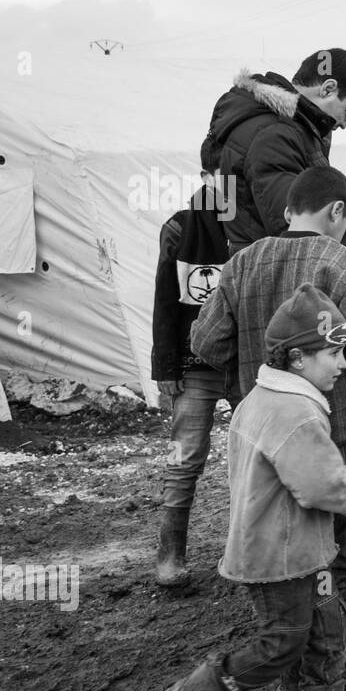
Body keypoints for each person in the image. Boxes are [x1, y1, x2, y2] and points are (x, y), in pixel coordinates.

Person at [190, 166, 346, 691]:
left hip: (267, 443)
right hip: (336, 441)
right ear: (337, 211)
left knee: (297, 573)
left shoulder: (242, 262)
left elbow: (205, 342)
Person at [159, 285, 346, 691]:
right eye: (333, 353)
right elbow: (320, 486)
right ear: (297, 358)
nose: (343, 364)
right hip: (281, 556)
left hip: (292, 548)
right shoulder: (294, 412)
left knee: (324, 627)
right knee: (282, 642)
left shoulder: (262, 397)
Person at [204, 48, 346, 254]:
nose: (344, 124)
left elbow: (307, 197)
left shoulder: (296, 128)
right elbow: (299, 226)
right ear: (328, 88)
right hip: (276, 276)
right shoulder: (274, 132)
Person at [151, 137, 237, 586]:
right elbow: (166, 299)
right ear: (205, 179)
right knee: (185, 458)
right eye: (222, 179)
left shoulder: (257, 228)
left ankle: (246, 553)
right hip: (194, 364)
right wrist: (165, 367)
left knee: (251, 459)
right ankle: (170, 555)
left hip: (247, 364)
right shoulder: (180, 228)